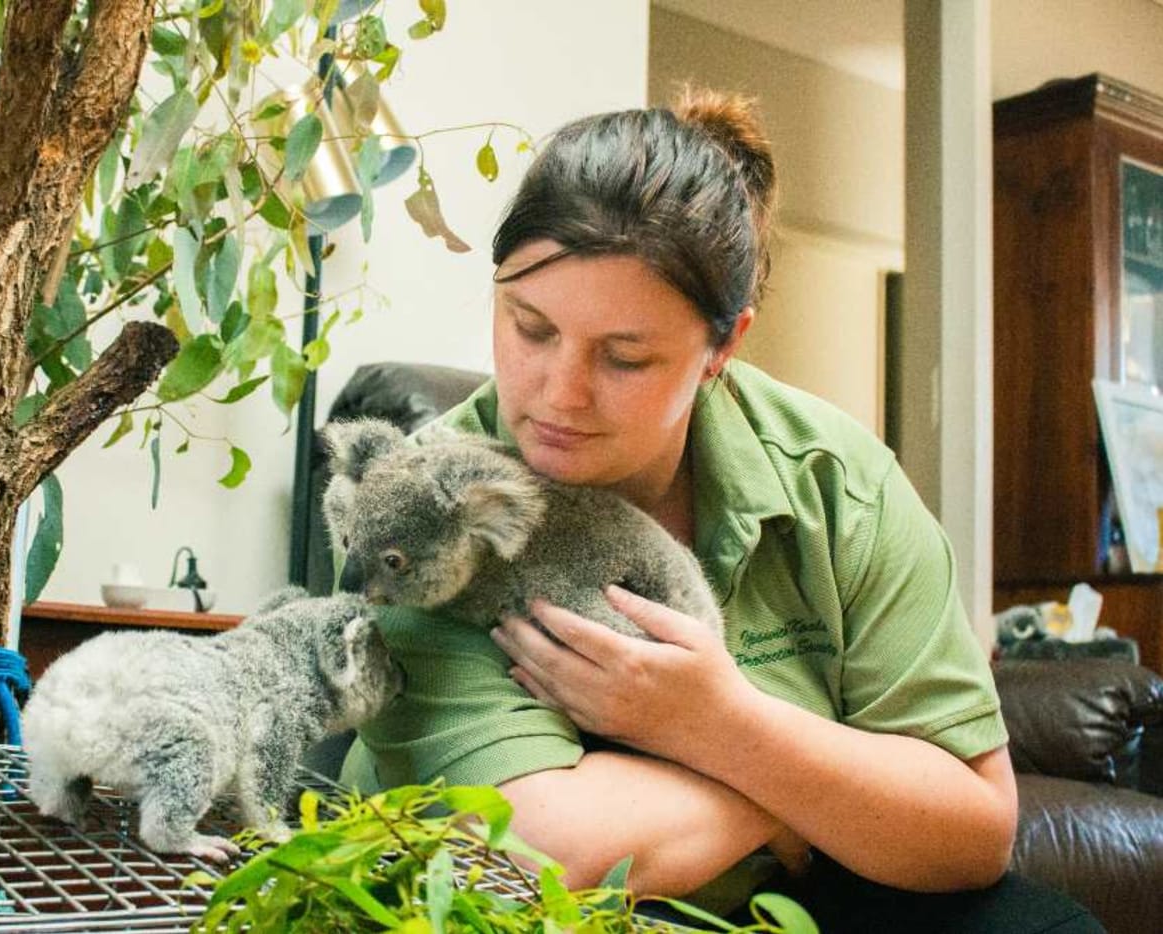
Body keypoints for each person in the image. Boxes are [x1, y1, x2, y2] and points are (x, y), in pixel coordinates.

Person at [336, 88, 1101, 932]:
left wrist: (716, 722)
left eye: (625, 358)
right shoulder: (420, 511)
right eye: (531, 328)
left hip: (821, 898)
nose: (559, 394)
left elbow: (973, 827)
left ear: (722, 349)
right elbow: (542, 856)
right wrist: (790, 803)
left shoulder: (834, 478)